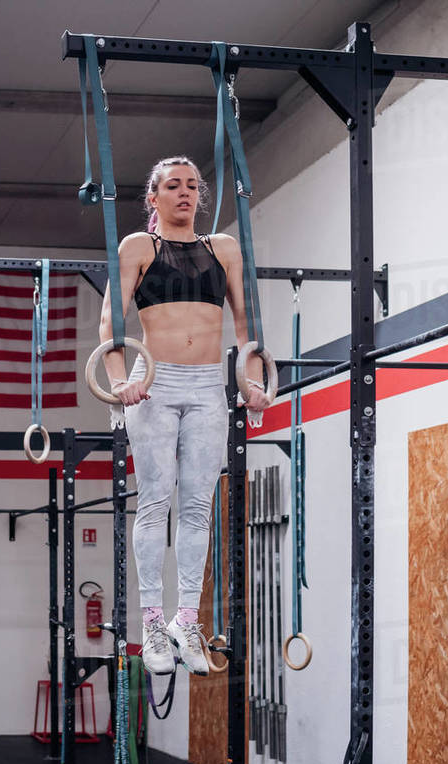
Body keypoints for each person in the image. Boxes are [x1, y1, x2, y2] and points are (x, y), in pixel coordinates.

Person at [98, 155, 271, 676]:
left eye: (193, 186)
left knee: (198, 505)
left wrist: (253, 380)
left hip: (207, 386)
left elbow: (247, 322)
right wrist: (119, 383)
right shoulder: (138, 247)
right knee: (155, 501)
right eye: (173, 185)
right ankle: (152, 622)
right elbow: (111, 321)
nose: (185, 193)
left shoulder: (224, 248)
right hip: (154, 381)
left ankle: (186, 620)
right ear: (153, 197)